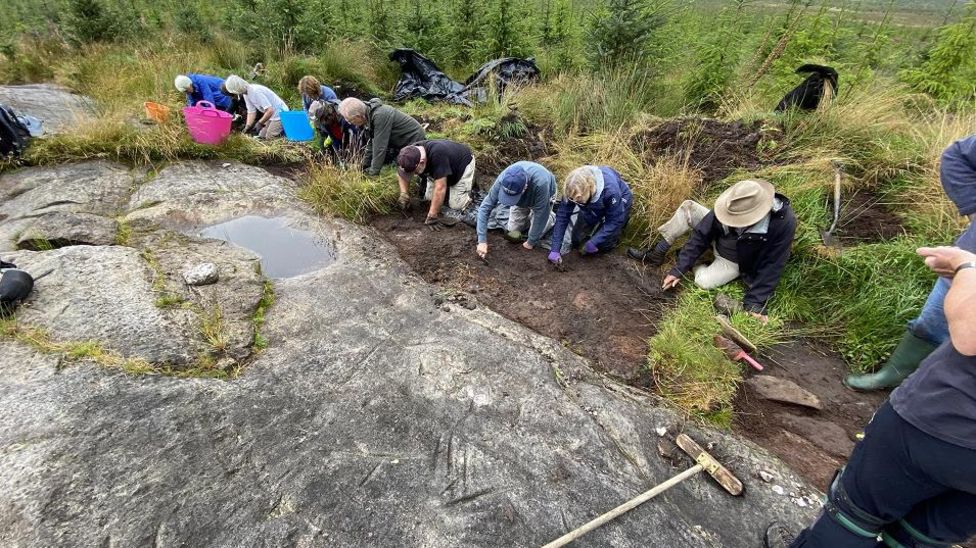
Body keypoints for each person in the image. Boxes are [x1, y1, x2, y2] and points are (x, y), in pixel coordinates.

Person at [764, 244, 976, 548]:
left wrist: (968, 267)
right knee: (923, 536)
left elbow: (970, 333)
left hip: (943, 420)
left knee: (855, 515)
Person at [846, 135, 976, 391]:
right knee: (932, 323)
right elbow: (956, 156)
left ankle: (939, 401)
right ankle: (894, 375)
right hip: (967, 264)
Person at [637, 179, 796, 323]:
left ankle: (700, 261)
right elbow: (701, 233)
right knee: (688, 207)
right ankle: (657, 253)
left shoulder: (782, 224)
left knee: (703, 282)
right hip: (719, 236)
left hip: (734, 258)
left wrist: (755, 303)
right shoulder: (734, 201)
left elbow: (773, 264)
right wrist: (679, 269)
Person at [547, 165, 633, 265]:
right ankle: (595, 228)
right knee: (576, 239)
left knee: (604, 245)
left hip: (619, 200)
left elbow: (615, 220)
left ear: (590, 188)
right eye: (573, 199)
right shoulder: (571, 188)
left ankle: (613, 237)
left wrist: (595, 242)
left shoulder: (611, 191)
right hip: (590, 204)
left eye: (578, 199)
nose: (575, 201)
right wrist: (555, 249)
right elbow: (562, 216)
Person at [475, 161, 557, 258]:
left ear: (525, 187)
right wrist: (482, 241)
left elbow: (541, 214)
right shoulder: (504, 178)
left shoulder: (541, 184)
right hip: (522, 201)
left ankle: (551, 217)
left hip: (545, 195)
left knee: (538, 228)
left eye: (512, 197)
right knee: (513, 232)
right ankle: (528, 216)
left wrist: (530, 242)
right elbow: (485, 207)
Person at [396, 139, 475, 229]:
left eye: (414, 172)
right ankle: (443, 180)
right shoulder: (407, 154)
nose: (413, 175)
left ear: (421, 162)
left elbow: (440, 187)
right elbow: (401, 174)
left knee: (456, 206)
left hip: (461, 165)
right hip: (438, 168)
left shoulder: (438, 155)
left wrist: (432, 216)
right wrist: (404, 194)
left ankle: (471, 194)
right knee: (428, 200)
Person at [338, 98, 426, 177]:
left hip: (413, 140)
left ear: (358, 116)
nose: (350, 123)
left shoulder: (380, 116)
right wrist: (363, 165)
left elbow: (380, 147)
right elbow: (371, 143)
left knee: (407, 169)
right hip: (399, 142)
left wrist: (373, 173)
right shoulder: (368, 115)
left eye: (350, 120)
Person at [223, 74, 289, 140]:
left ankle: (284, 136)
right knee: (261, 136)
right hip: (271, 115)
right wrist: (248, 126)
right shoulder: (246, 93)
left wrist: (260, 123)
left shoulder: (255, 92)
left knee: (270, 137)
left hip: (280, 114)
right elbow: (251, 112)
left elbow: (270, 110)